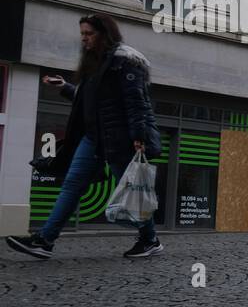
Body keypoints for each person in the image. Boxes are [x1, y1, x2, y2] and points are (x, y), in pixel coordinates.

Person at [8, 14, 162, 260]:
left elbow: (137, 102)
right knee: (72, 185)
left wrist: (139, 136)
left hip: (118, 138)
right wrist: (65, 87)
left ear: (104, 34)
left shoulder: (124, 61)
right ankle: (45, 240)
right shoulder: (94, 63)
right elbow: (90, 102)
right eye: (82, 34)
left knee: (135, 189)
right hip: (92, 137)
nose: (84, 39)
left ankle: (149, 239)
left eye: (89, 34)